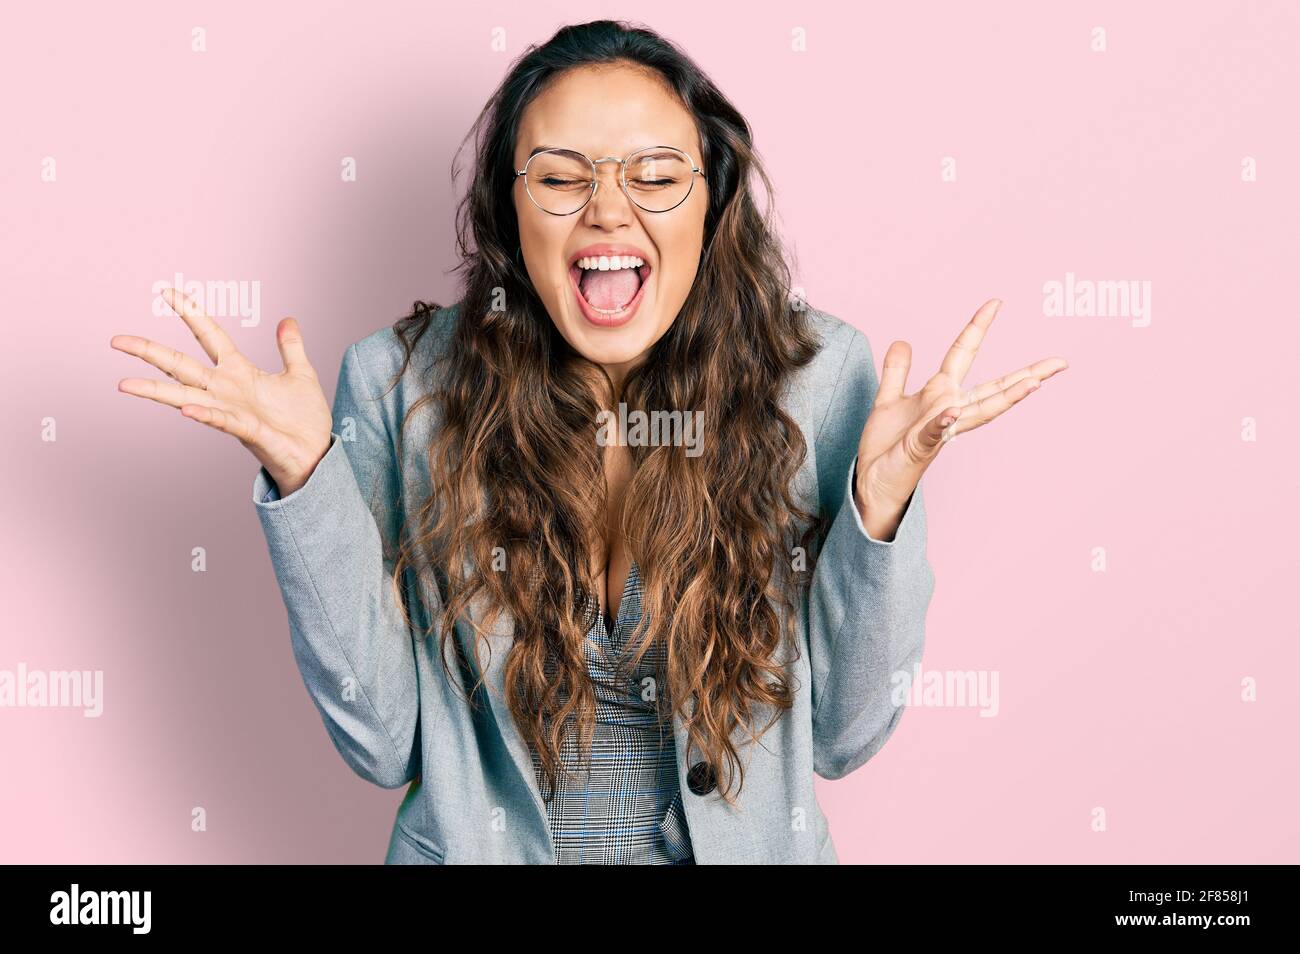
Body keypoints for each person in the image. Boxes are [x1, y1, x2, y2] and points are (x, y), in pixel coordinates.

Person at [110, 19, 1067, 864]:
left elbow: (844, 739)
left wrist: (879, 510)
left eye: (655, 174)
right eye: (562, 177)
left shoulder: (819, 385)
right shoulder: (400, 389)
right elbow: (382, 742)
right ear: (507, 208)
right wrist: (306, 480)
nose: (609, 210)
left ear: (711, 200)